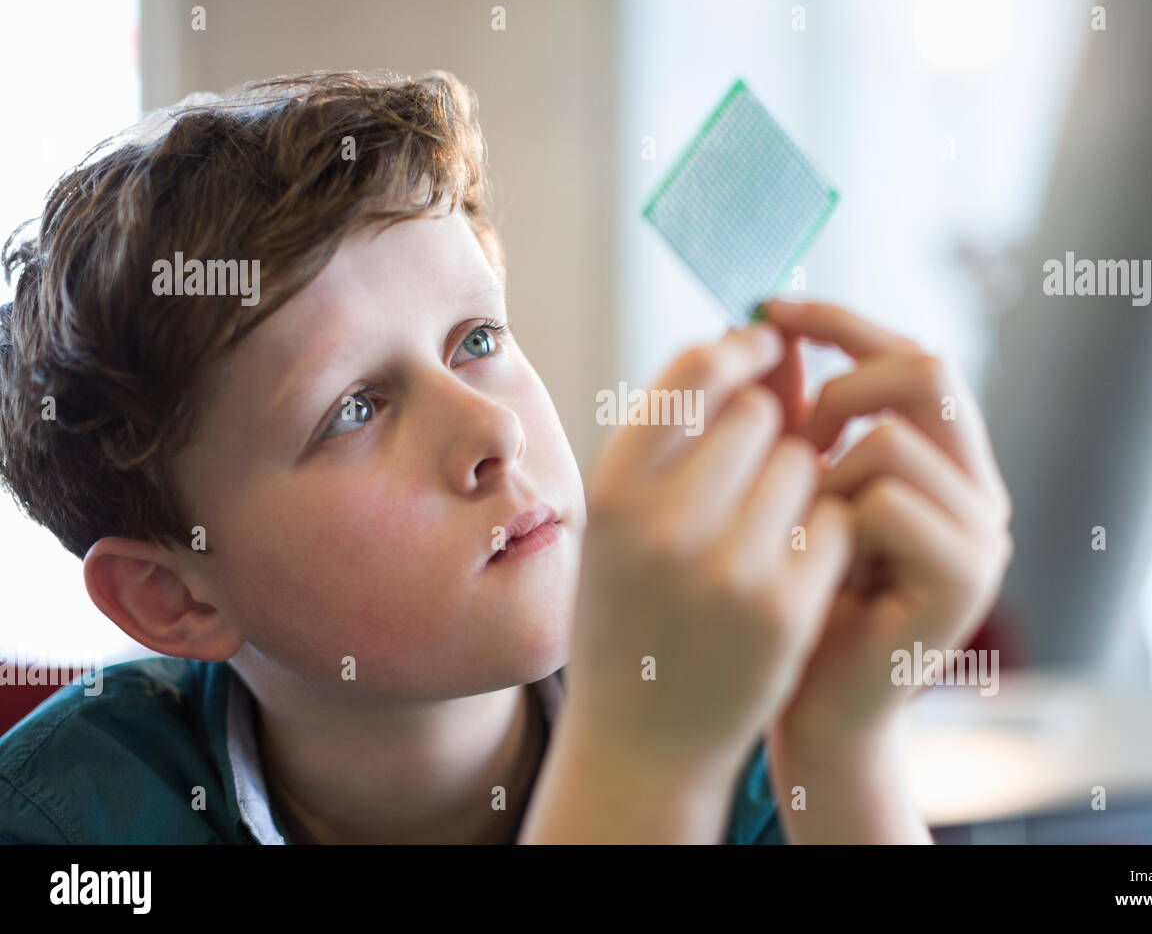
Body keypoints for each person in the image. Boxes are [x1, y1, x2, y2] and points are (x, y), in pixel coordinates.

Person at [0, 70, 1012, 844]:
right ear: (174, 598)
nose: (496, 432)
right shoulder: (70, 823)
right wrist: (635, 763)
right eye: (353, 407)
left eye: (476, 340)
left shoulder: (738, 735)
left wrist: (841, 746)